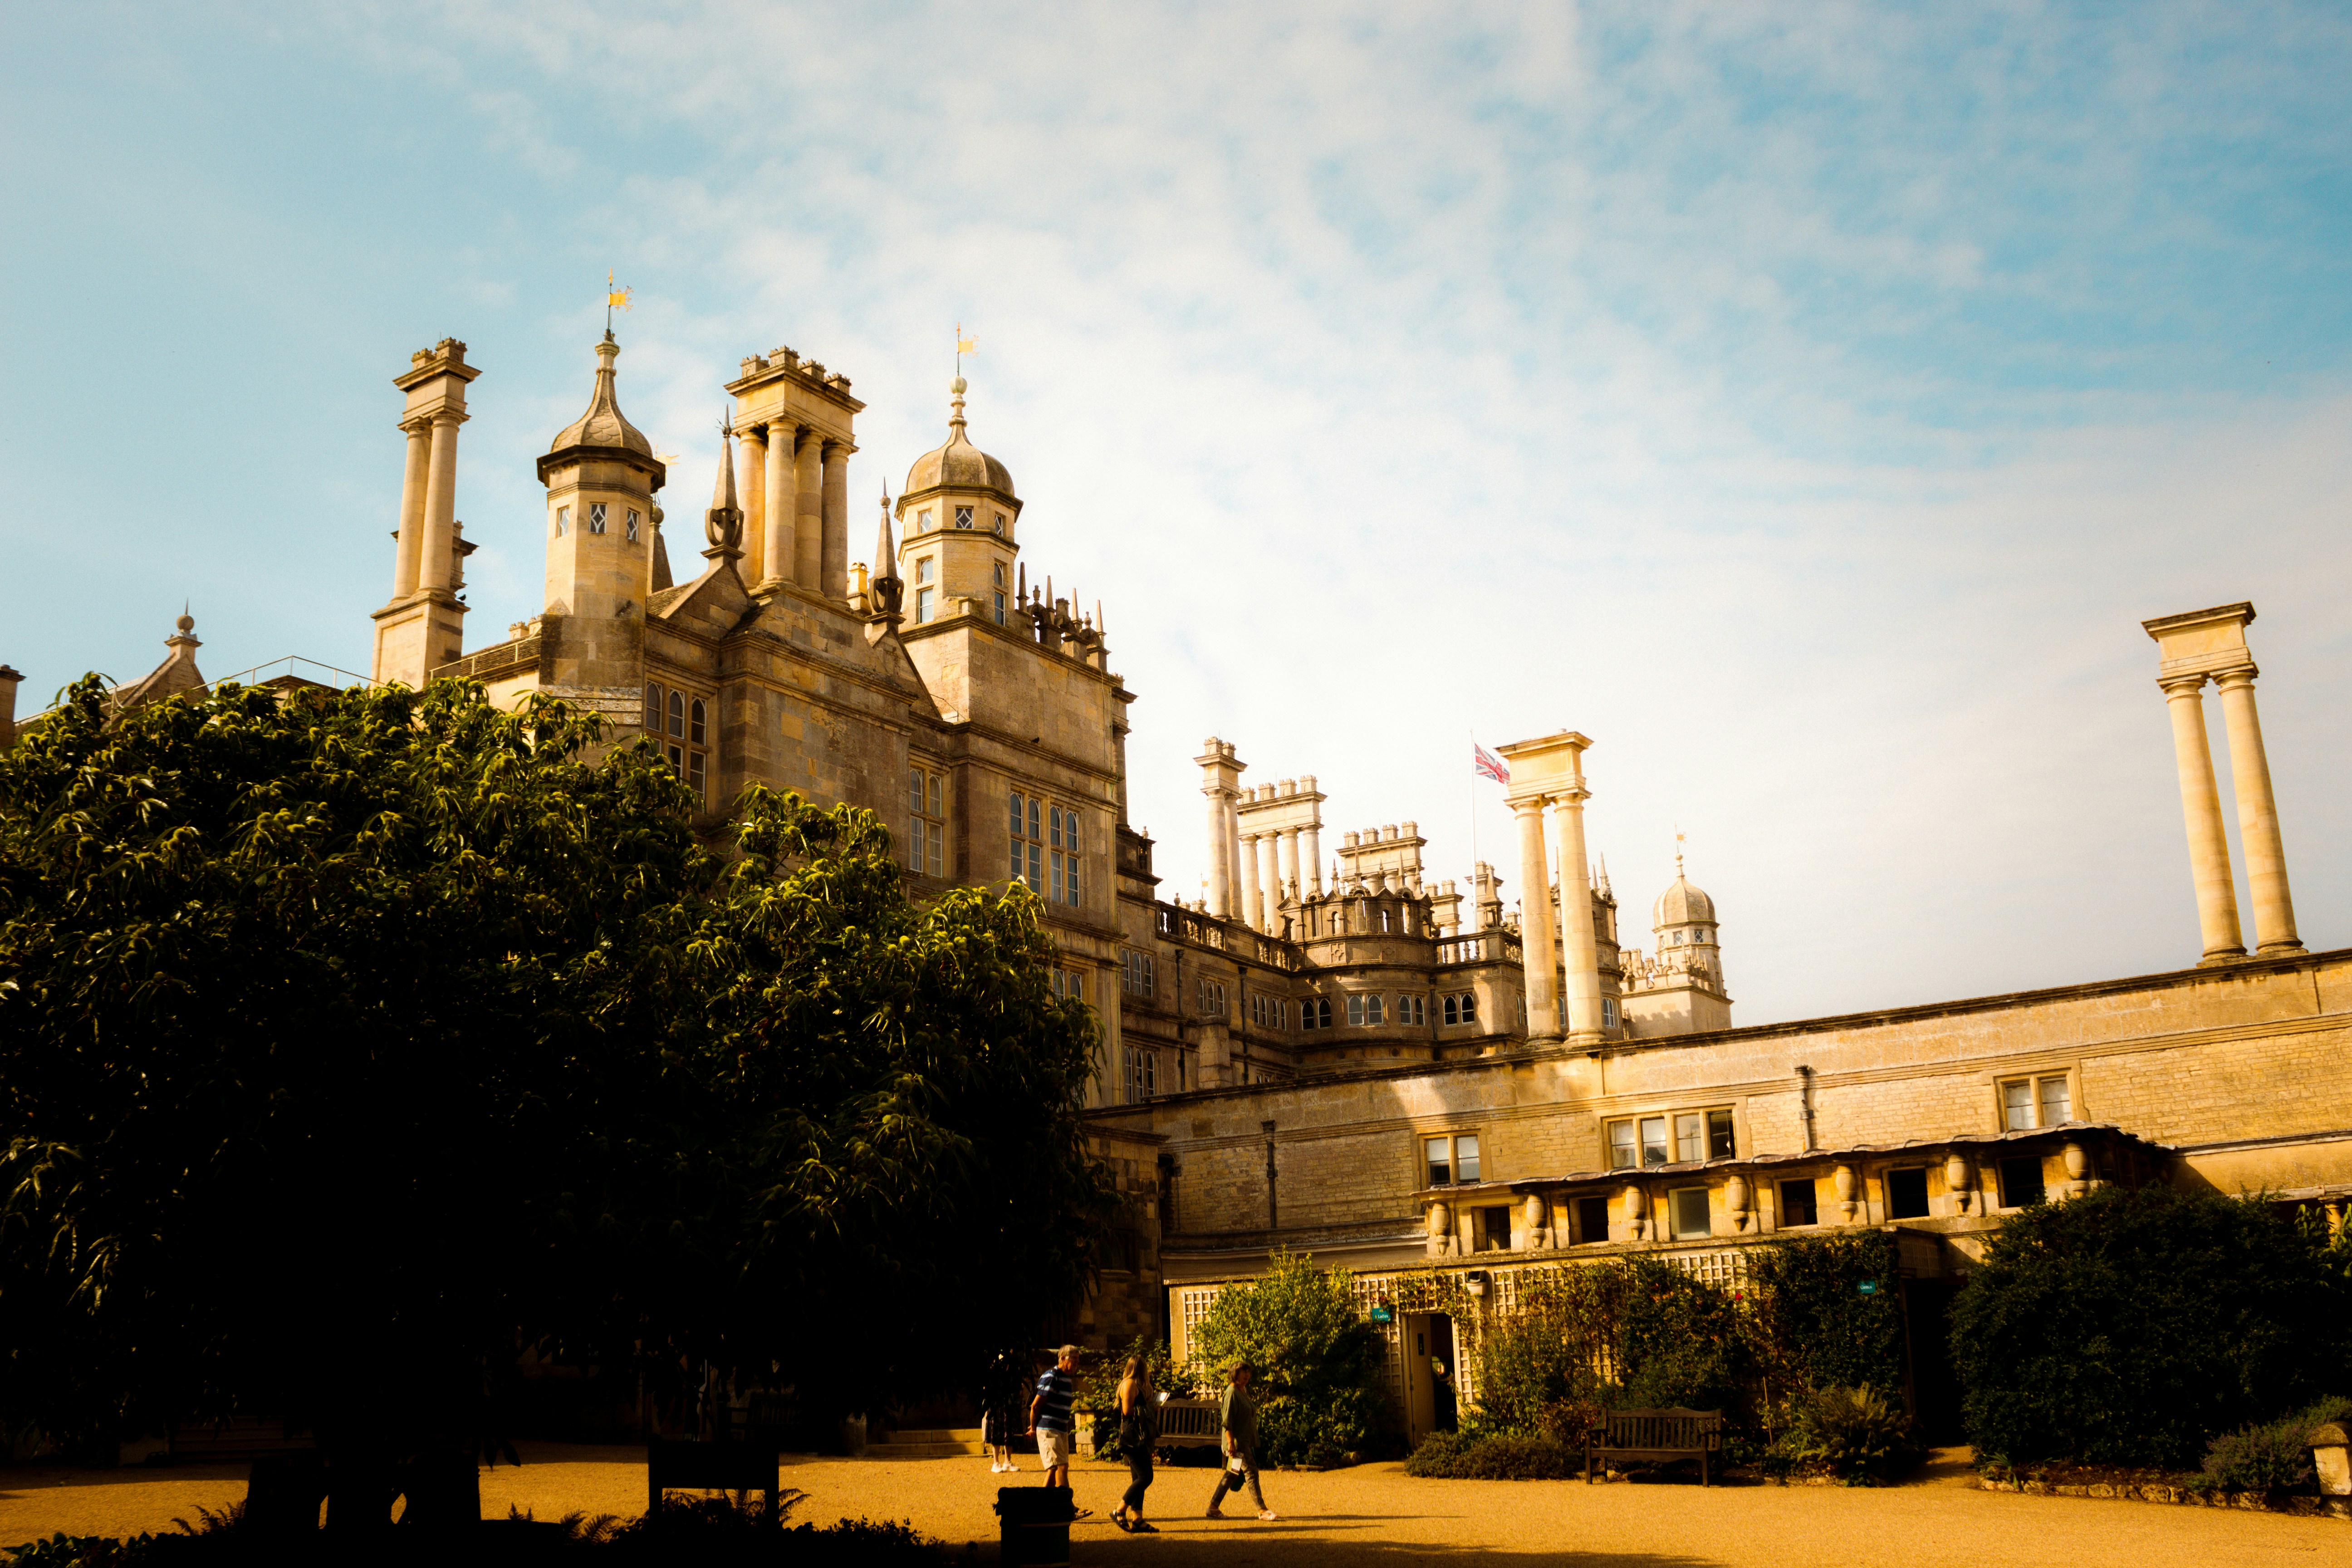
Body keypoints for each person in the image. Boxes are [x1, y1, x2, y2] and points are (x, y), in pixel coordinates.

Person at [1205, 1361, 1277, 1521]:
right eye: (1243, 1377)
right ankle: (1262, 1510)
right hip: (1238, 1443)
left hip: (1243, 1440)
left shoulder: (1241, 1390)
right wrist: (1231, 1443)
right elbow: (1227, 1421)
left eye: (1248, 1376)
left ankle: (1213, 1507)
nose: (1246, 1379)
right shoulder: (1231, 1393)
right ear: (1235, 1375)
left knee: (1232, 1474)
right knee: (1251, 1472)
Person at [1026, 1343, 1085, 1507]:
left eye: (1078, 1360)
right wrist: (1033, 1427)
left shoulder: (1067, 1379)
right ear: (1062, 1359)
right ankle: (1067, 1506)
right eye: (1074, 1360)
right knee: (1060, 1467)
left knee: (1058, 1468)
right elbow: (1035, 1405)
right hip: (1049, 1427)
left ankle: (1042, 1505)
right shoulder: (1052, 1376)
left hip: (1061, 1429)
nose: (1076, 1364)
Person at [1110, 1354, 1160, 1534]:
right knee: (1146, 1477)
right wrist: (1148, 1408)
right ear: (1140, 1368)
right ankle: (1120, 1509)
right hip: (1132, 1437)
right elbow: (1127, 1411)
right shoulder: (1130, 1383)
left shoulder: (1138, 1385)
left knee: (1138, 1477)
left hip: (1139, 1436)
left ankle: (1137, 1519)